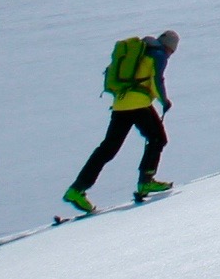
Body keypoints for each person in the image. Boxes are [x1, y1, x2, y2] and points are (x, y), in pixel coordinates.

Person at [66, 29, 179, 213]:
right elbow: (157, 80)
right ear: (170, 48)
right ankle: (146, 182)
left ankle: (77, 189)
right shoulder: (158, 55)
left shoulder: (141, 51)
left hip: (120, 104)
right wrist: (164, 101)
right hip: (139, 104)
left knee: (108, 149)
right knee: (158, 138)